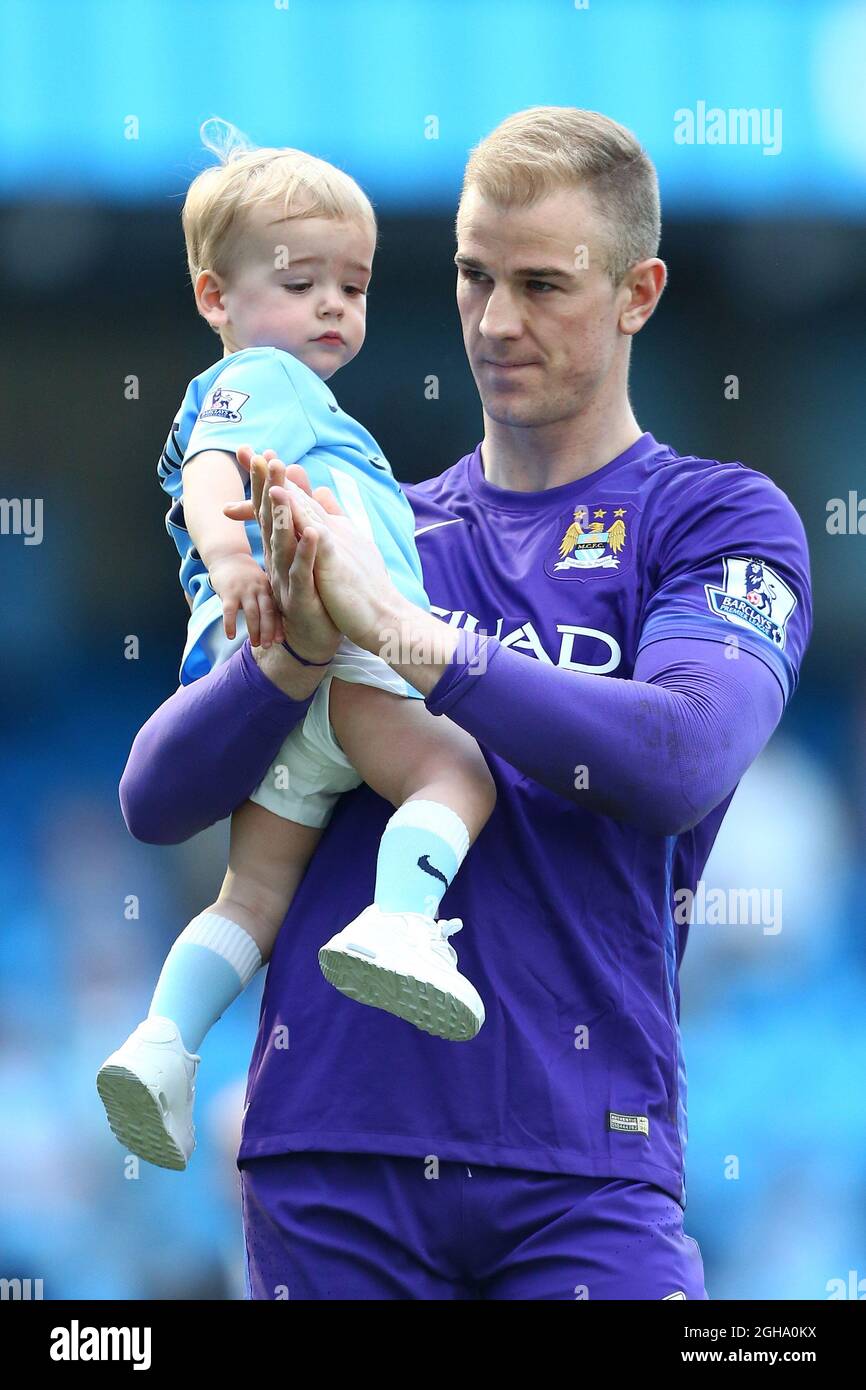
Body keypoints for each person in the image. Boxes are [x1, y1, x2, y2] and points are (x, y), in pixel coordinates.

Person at [118, 107, 811, 1299]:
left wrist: (402, 636)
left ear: (638, 292)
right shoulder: (367, 518)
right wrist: (287, 655)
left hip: (586, 1164)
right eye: (472, 277)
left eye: (541, 284)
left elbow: (677, 754)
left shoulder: (715, 520)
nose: (495, 323)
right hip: (331, 1158)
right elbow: (156, 797)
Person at [97, 123, 496, 1174]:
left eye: (352, 286)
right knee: (456, 768)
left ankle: (167, 1043)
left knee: (251, 898)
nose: (332, 306)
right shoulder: (260, 381)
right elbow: (212, 471)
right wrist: (237, 564)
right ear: (214, 298)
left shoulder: (296, 396)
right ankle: (402, 919)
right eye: (300, 279)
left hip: (260, 701)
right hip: (315, 647)